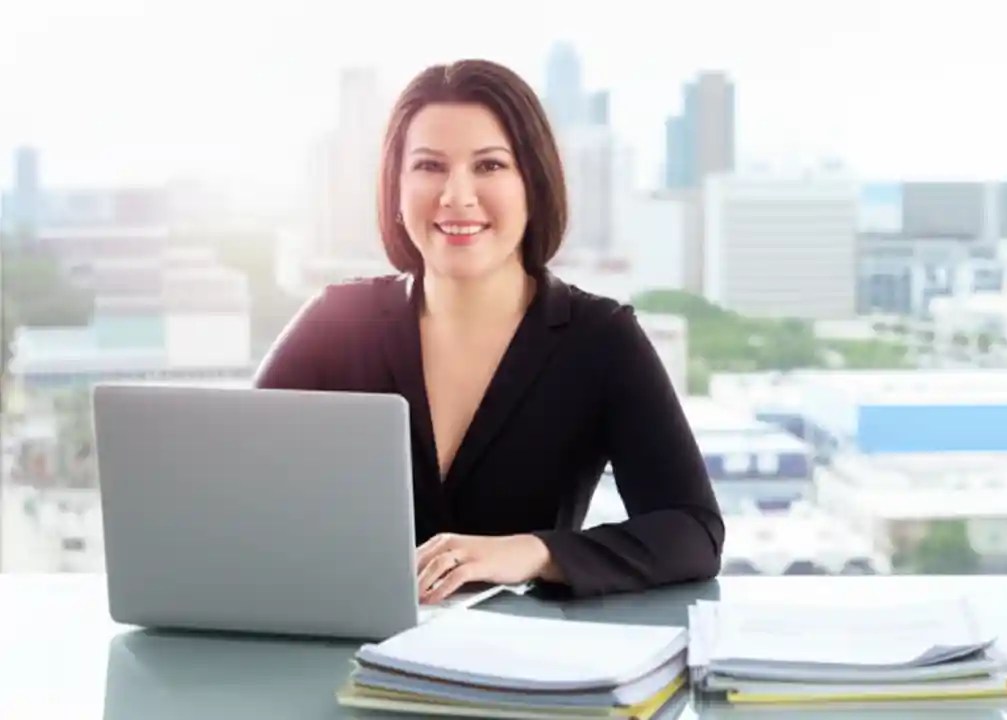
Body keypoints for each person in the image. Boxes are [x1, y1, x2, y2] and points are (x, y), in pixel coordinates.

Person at [254, 59, 723, 602]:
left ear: (533, 184)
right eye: (429, 166)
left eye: (489, 166)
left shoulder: (601, 340)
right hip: (339, 650)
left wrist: (532, 552)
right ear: (396, 189)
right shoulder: (336, 323)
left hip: (518, 667)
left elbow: (694, 532)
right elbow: (236, 482)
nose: (456, 195)